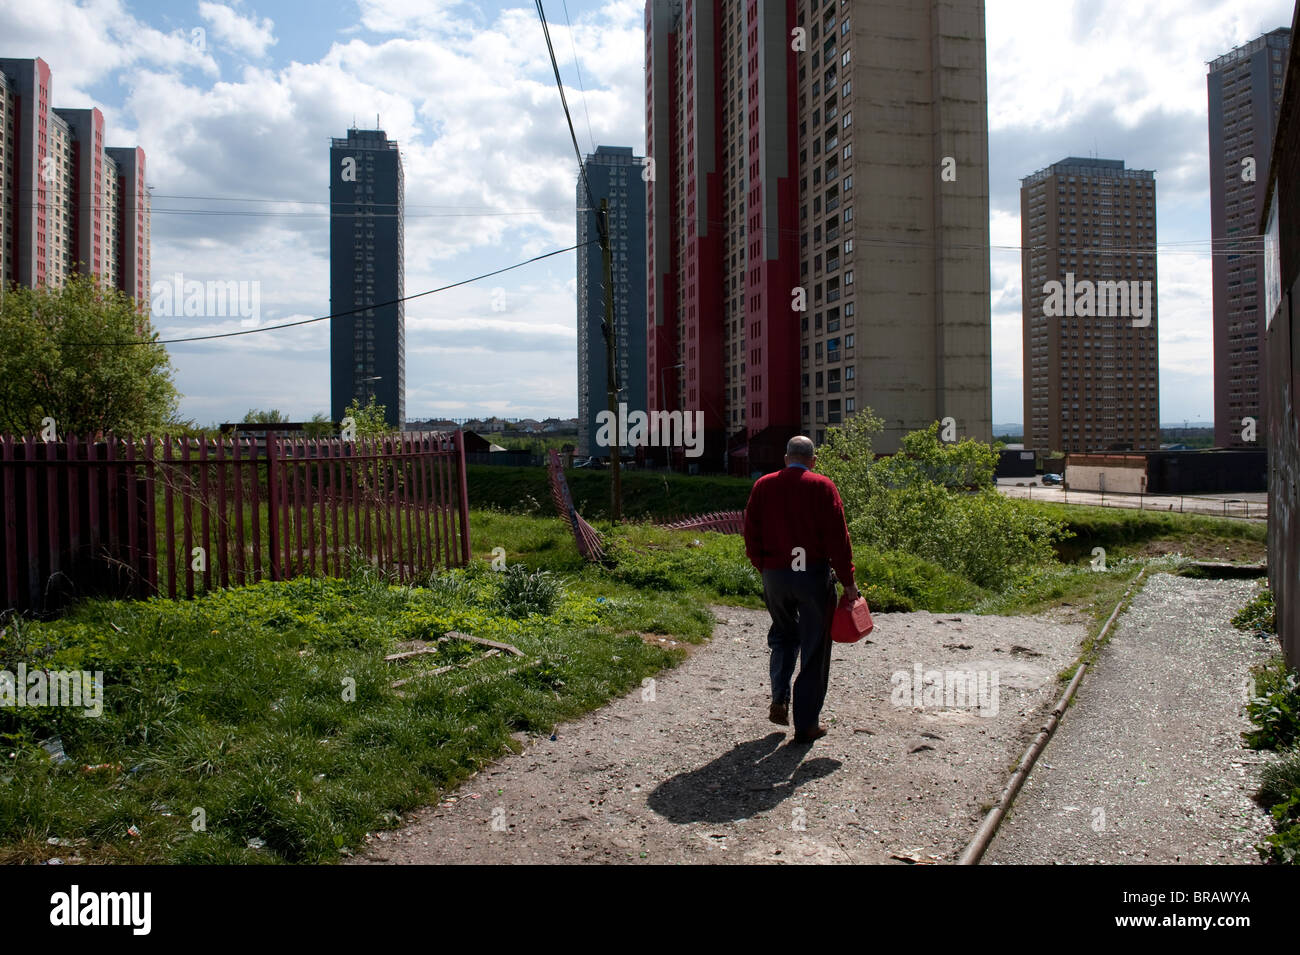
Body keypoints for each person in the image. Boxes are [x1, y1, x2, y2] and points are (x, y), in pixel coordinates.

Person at [742, 435, 857, 744]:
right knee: (815, 646)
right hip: (812, 575)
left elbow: (750, 532)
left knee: (782, 634)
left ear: (785, 458)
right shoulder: (822, 487)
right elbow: (838, 539)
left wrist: (764, 567)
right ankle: (806, 724)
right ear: (813, 461)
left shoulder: (763, 486)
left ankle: (779, 696)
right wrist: (848, 582)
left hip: (775, 575)